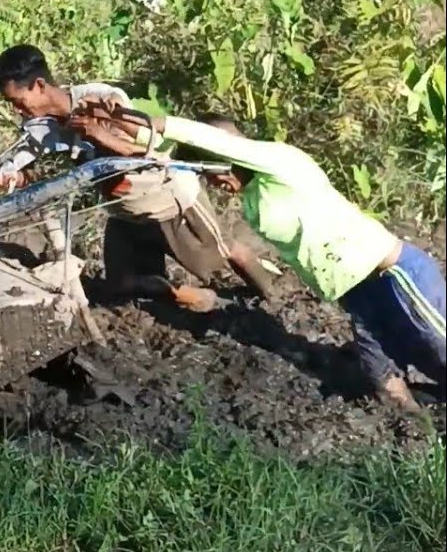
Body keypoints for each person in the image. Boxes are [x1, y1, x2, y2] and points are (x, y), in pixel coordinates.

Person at [73, 105, 446, 412]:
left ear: (228, 153)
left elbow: (204, 139)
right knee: (384, 383)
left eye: (215, 170)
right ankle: (423, 437)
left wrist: (156, 122)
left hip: (394, 277)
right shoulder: (252, 196)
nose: (216, 184)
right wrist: (113, 133)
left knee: (440, 355)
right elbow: (168, 158)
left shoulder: (280, 162)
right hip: (359, 299)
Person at [0, 44, 276, 313]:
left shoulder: (100, 99)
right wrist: (15, 177)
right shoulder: (41, 129)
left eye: (18, 101)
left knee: (223, 252)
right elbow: (47, 171)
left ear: (39, 86)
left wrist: (99, 134)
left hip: (167, 198)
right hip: (124, 211)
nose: (17, 110)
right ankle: (203, 299)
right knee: (120, 287)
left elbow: (142, 150)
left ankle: (272, 300)